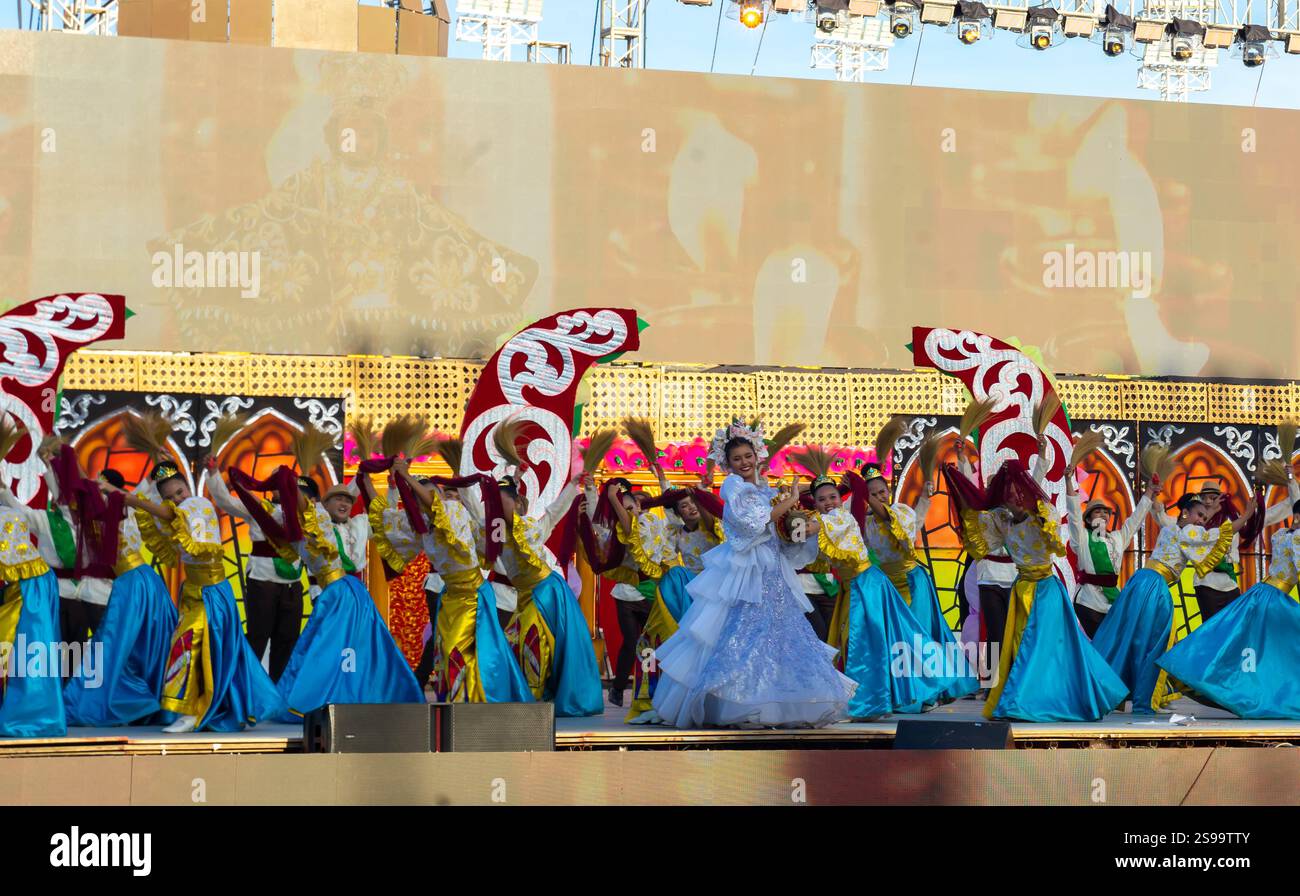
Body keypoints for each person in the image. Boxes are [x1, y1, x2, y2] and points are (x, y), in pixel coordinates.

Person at [651, 420, 856, 728]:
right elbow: (753, 524)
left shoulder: (764, 488)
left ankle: (777, 704)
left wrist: (792, 523)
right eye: (737, 459)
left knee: (780, 634)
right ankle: (737, 704)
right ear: (728, 464)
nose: (744, 462)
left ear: (758, 455)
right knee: (741, 633)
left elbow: (776, 528)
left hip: (772, 568)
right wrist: (791, 499)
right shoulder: (734, 486)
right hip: (746, 571)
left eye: (748, 456)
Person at [228, 463, 424, 718]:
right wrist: (285, 481)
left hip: (354, 595)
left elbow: (384, 517)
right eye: (336, 499)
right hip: (330, 595)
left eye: (346, 499)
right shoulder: (313, 525)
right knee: (322, 649)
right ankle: (311, 695)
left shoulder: (358, 524)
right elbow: (300, 507)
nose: (343, 503)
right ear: (323, 504)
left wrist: (391, 488)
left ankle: (360, 693)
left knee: (359, 648)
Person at [949, 458, 1126, 722]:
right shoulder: (1002, 522)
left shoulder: (1043, 516)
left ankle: (1057, 696)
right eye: (1008, 495)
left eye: (1018, 493)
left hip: (1045, 592)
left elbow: (1051, 538)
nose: (1014, 499)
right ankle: (1021, 698)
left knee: (1053, 647)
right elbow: (977, 524)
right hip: (1021, 589)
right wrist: (958, 482)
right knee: (1020, 647)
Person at [794, 453, 964, 720]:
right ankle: (877, 698)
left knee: (904, 639)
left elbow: (808, 529)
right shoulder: (857, 518)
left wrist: (786, 519)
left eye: (881, 491)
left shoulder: (883, 514)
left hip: (903, 582)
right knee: (873, 643)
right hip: (861, 586)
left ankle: (915, 693)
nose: (878, 496)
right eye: (822, 500)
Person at [117, 462, 284, 733]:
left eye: (179, 491)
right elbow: (162, 519)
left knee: (188, 645)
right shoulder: (173, 512)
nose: (177, 499)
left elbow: (169, 515)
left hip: (212, 592)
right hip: (193, 591)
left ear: (188, 487)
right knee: (213, 652)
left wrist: (135, 500)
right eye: (170, 497)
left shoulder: (198, 506)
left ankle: (193, 712)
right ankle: (221, 707)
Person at [369, 461, 531, 704]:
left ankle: (471, 702)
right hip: (450, 595)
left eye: (434, 492)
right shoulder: (419, 526)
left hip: (472, 595)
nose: (429, 498)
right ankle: (459, 701)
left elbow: (435, 504)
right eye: (420, 496)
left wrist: (408, 477)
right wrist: (370, 479)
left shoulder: (453, 510)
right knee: (444, 650)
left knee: (468, 649)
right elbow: (384, 517)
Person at [1091, 492, 1256, 714]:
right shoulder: (1187, 532)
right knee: (1156, 642)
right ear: (1185, 513)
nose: (1201, 522)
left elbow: (1200, 530)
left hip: (1139, 582)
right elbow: (1218, 535)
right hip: (1155, 587)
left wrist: (1212, 511)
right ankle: (1146, 700)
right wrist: (1245, 516)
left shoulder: (1170, 528)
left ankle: (1106, 691)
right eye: (1199, 515)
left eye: (1204, 519)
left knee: (1123, 638)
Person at [460, 462, 602, 717]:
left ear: (515, 504)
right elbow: (473, 510)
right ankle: (532, 693)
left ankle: (537, 698)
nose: (495, 506)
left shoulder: (529, 528)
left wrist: (573, 485)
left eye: (501, 501)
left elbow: (554, 513)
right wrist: (459, 480)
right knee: (516, 639)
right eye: (492, 502)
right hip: (525, 596)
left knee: (533, 640)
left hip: (547, 593)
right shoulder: (492, 532)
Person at [1156, 501, 1300, 718]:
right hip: (1268, 598)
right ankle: (1262, 691)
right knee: (1263, 646)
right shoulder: (1296, 539)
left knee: (1242, 644)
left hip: (1260, 593)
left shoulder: (1280, 535)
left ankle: (1252, 689)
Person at [62, 463, 179, 727]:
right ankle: (143, 702)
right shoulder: (101, 515)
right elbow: (87, 488)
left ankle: (139, 702)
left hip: (135, 584)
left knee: (114, 644)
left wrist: (75, 462)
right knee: (136, 645)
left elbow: (109, 490)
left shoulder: (118, 507)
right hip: (138, 582)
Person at [851, 463, 978, 704]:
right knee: (897, 641)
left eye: (881, 492)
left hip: (913, 582)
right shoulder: (864, 522)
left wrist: (864, 494)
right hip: (888, 587)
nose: (879, 497)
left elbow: (896, 522)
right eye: (873, 494)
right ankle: (906, 691)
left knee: (918, 638)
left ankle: (931, 690)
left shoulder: (899, 512)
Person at [206, 458, 305, 682]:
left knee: (288, 638)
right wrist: (213, 473)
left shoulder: (305, 513)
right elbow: (226, 501)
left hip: (293, 582)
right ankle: (246, 690)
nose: (284, 487)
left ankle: (279, 692)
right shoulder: (259, 508)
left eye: (288, 483)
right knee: (258, 636)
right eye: (278, 483)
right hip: (262, 580)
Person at [0, 502, 65, 737]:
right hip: (24, 586)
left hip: (31, 588)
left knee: (30, 655)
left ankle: (33, 715)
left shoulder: (8, 515)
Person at [1064, 472, 1156, 638]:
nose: (1103, 514)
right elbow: (1073, 516)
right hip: (1088, 602)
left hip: (1113, 603)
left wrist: (1149, 492)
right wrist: (1068, 481)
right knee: (1102, 645)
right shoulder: (1082, 537)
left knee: (1115, 647)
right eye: (1097, 512)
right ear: (1089, 519)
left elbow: (1136, 520)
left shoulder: (1117, 538)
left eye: (1105, 512)